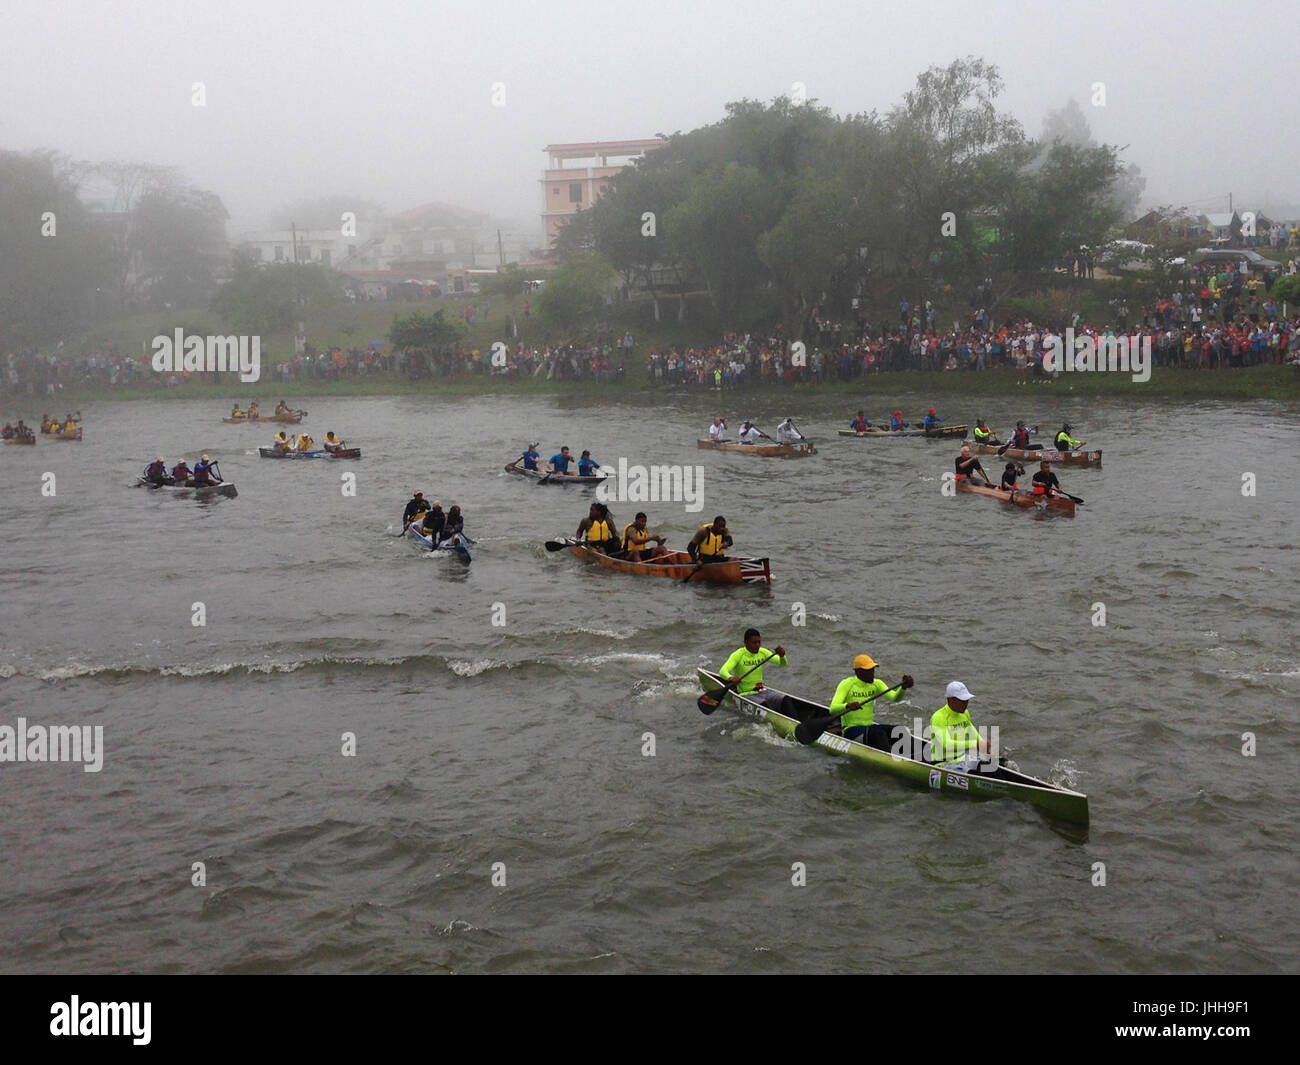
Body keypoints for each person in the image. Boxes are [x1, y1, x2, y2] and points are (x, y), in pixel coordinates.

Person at [829, 654, 914, 747]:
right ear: (858, 672)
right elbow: (832, 709)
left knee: (899, 731)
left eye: (873, 670)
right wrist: (847, 706)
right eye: (869, 671)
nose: (872, 674)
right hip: (851, 731)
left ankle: (913, 757)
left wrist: (903, 688)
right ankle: (888, 757)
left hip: (868, 729)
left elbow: (895, 698)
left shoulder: (876, 684)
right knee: (878, 733)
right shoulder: (846, 684)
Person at [928, 681, 991, 771]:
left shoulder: (965, 713)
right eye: (962, 701)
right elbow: (947, 745)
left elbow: (973, 734)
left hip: (962, 759)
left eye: (967, 700)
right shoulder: (939, 717)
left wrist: (985, 747)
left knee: (992, 768)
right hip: (942, 763)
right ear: (951, 700)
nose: (966, 704)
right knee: (974, 774)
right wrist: (974, 744)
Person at [719, 628, 788, 710]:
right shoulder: (738, 655)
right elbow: (722, 671)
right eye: (754, 642)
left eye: (759, 642)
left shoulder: (762, 652)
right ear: (746, 643)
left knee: (786, 700)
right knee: (764, 705)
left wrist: (782, 656)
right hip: (745, 694)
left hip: (762, 691)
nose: (757, 645)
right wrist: (731, 678)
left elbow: (783, 663)